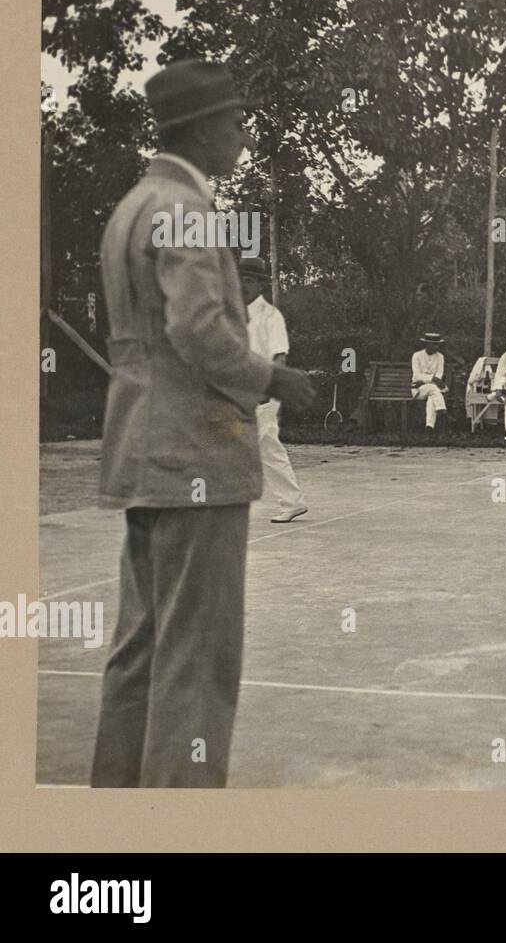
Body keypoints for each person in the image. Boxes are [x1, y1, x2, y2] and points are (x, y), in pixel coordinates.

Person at [92, 60, 315, 788]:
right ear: (203, 128)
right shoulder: (188, 208)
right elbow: (201, 331)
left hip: (140, 456)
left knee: (141, 652)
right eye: (238, 121)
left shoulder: (133, 205)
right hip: (197, 459)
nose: (245, 137)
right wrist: (271, 376)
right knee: (197, 659)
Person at [239, 257, 308, 523]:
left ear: (260, 284)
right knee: (269, 449)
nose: (242, 285)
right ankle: (293, 501)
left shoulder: (271, 316)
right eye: (240, 279)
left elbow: (280, 356)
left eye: (248, 280)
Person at [411, 332, 449, 437]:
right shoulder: (417, 356)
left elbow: (439, 375)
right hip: (418, 390)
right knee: (434, 389)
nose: (436, 347)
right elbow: (417, 375)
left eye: (437, 344)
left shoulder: (440, 357)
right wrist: (432, 378)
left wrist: (426, 380)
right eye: (433, 344)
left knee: (432, 399)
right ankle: (442, 410)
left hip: (433, 389)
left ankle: (429, 428)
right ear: (426, 345)